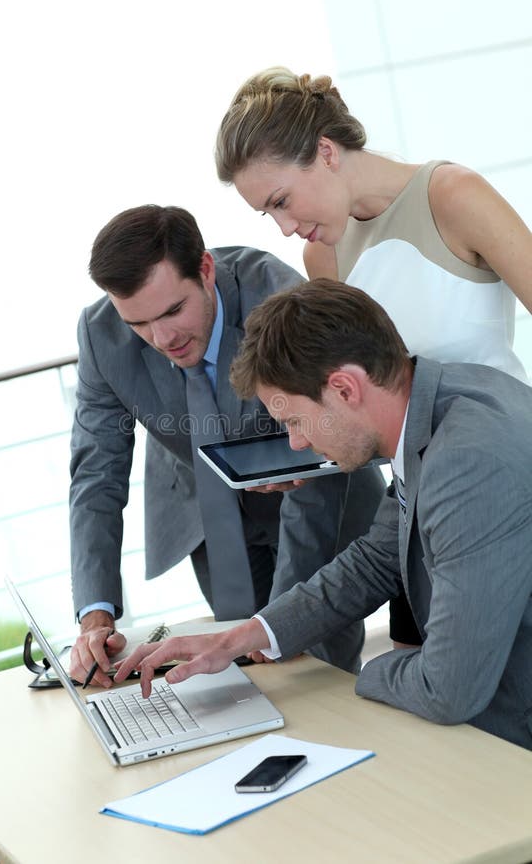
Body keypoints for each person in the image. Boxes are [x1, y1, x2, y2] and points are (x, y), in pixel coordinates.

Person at [114, 279, 532, 751]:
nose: (294, 443)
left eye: (294, 420)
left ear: (344, 387)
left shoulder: (465, 462)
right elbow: (376, 560)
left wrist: (362, 671)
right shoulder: (444, 406)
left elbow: (448, 688)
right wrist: (241, 638)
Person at [214, 65, 532, 648]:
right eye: (268, 215)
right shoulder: (324, 259)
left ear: (327, 152)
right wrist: (307, 460)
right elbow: (362, 399)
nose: (285, 229)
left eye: (282, 201)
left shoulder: (452, 197)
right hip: (417, 515)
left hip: (508, 488)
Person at [68, 204, 385, 686]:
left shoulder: (278, 297)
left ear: (207, 269)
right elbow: (96, 474)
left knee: (315, 668)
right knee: (243, 674)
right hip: (208, 517)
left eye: (174, 310)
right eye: (139, 324)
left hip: (317, 500)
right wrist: (95, 615)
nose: (162, 338)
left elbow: (318, 469)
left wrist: (278, 625)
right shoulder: (100, 336)